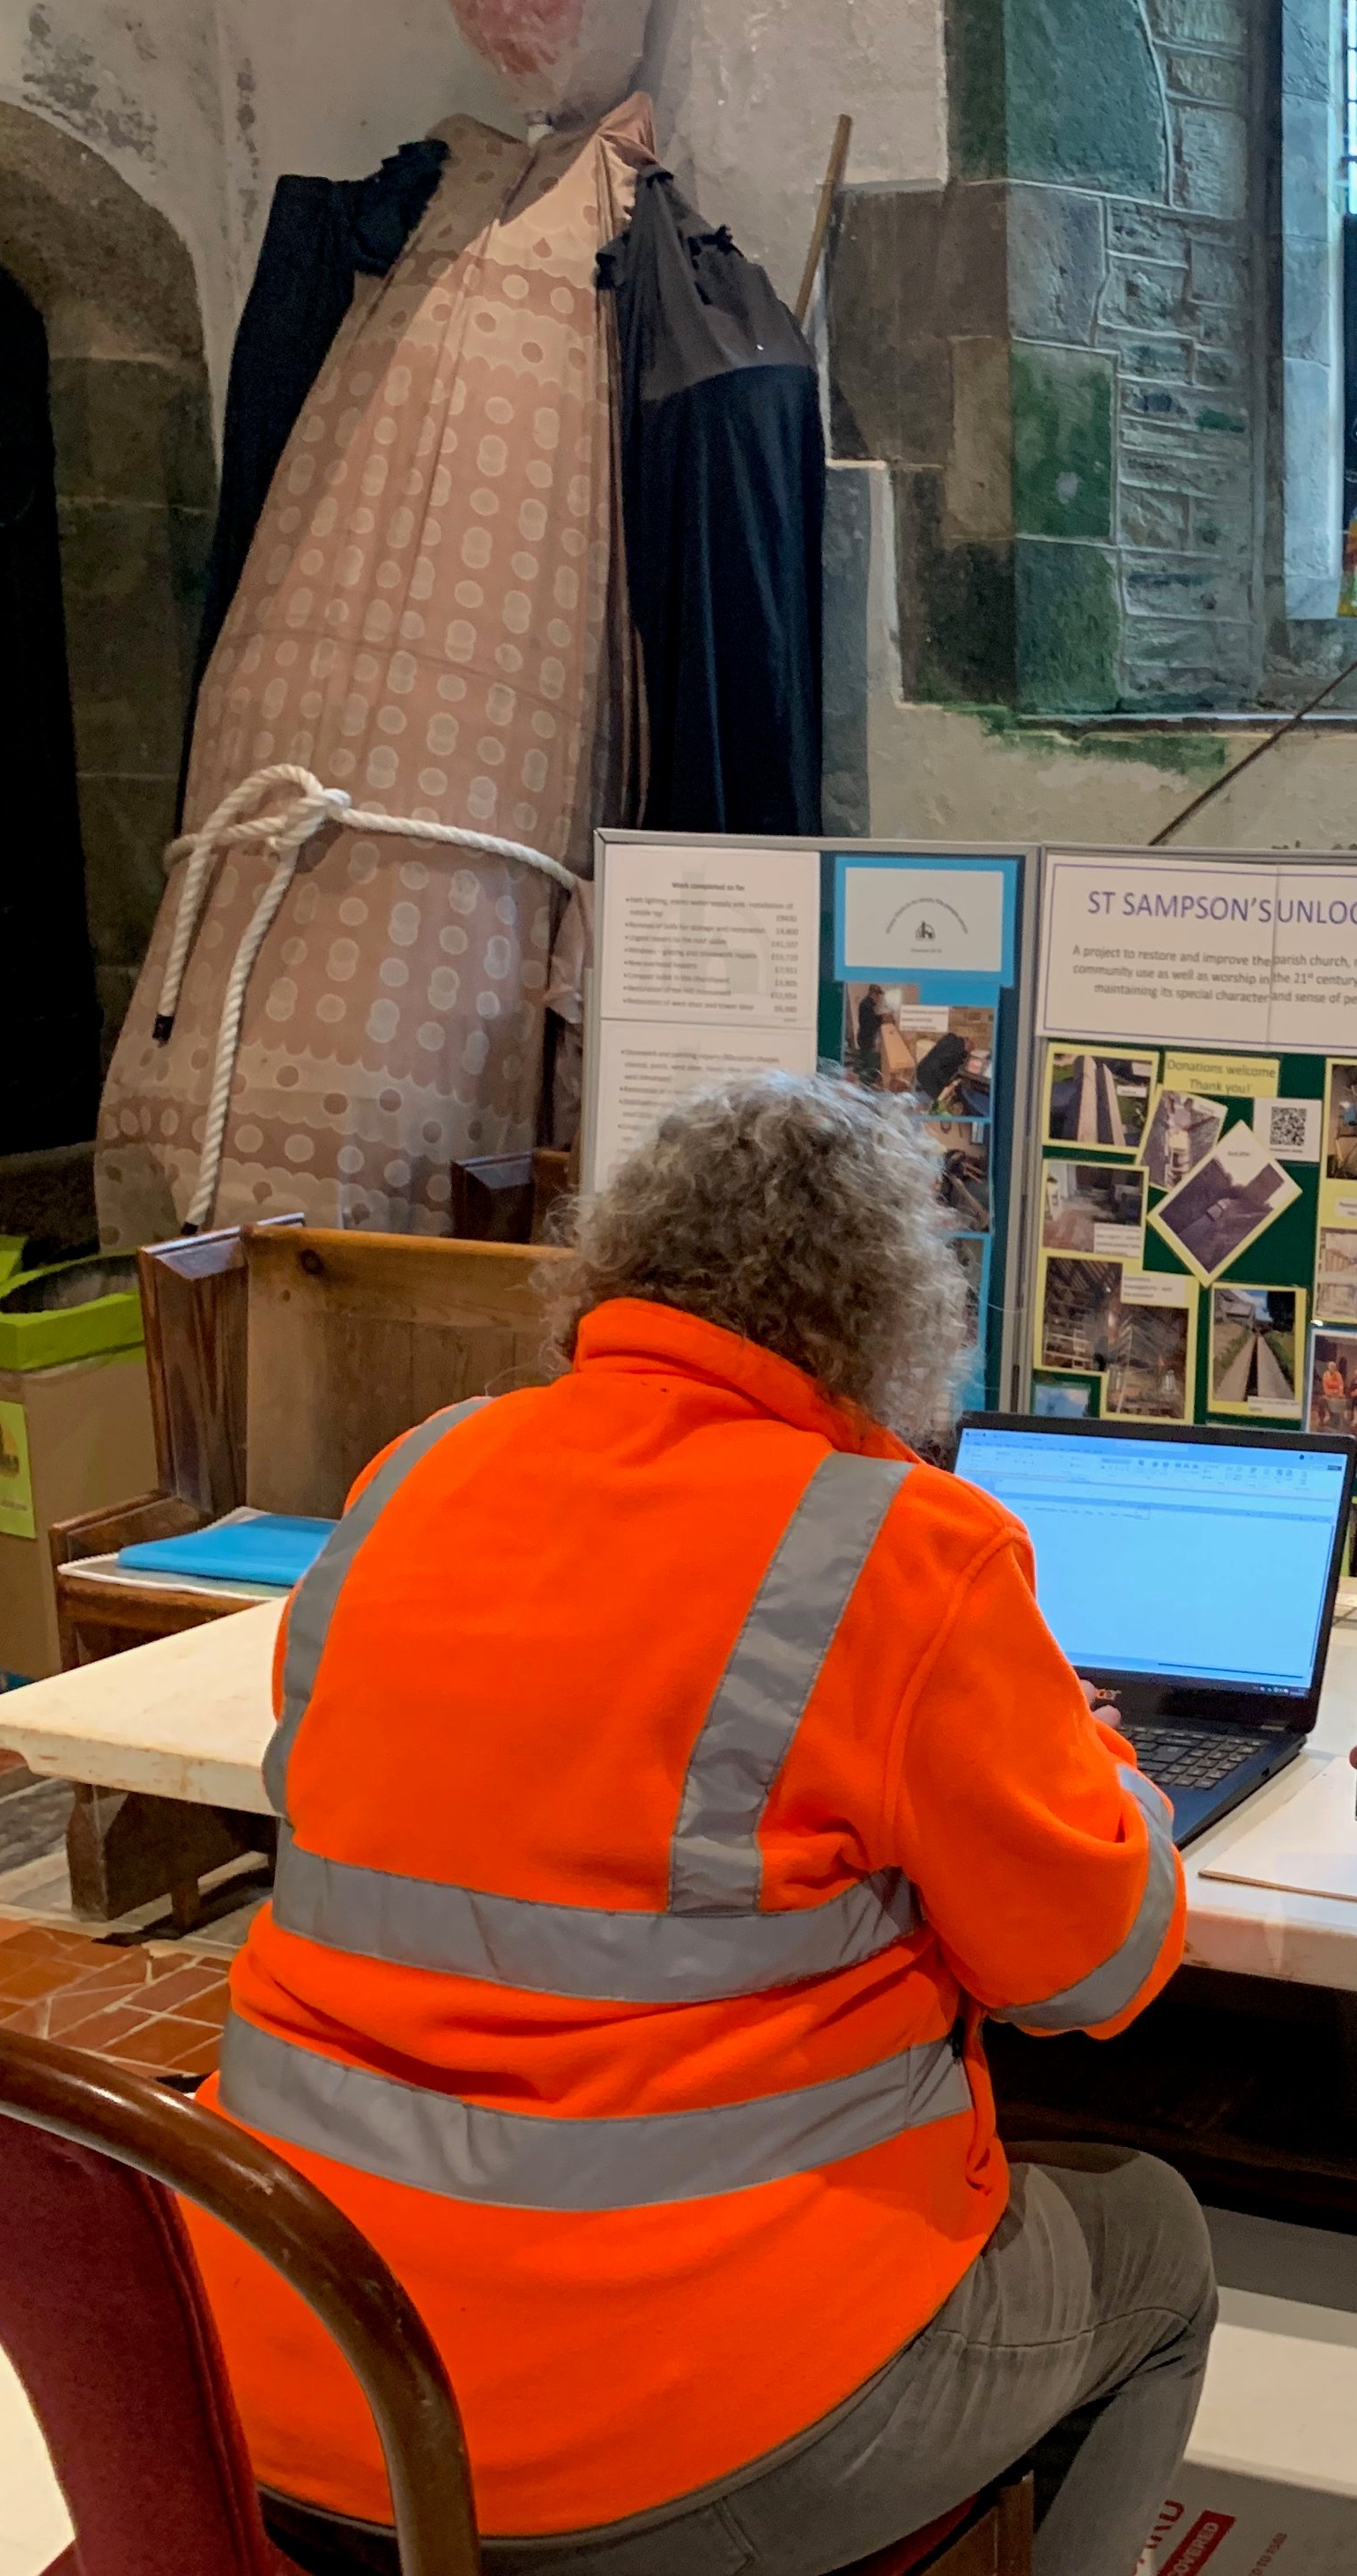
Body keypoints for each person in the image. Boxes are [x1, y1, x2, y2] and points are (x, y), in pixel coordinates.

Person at [192, 1072, 1212, 2576]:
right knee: (1156, 2251)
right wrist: (1112, 1785)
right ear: (889, 1311)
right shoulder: (904, 1551)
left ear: (617, 1266)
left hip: (285, 2364)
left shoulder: (417, 1472)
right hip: (658, 2434)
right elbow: (1089, 1973)